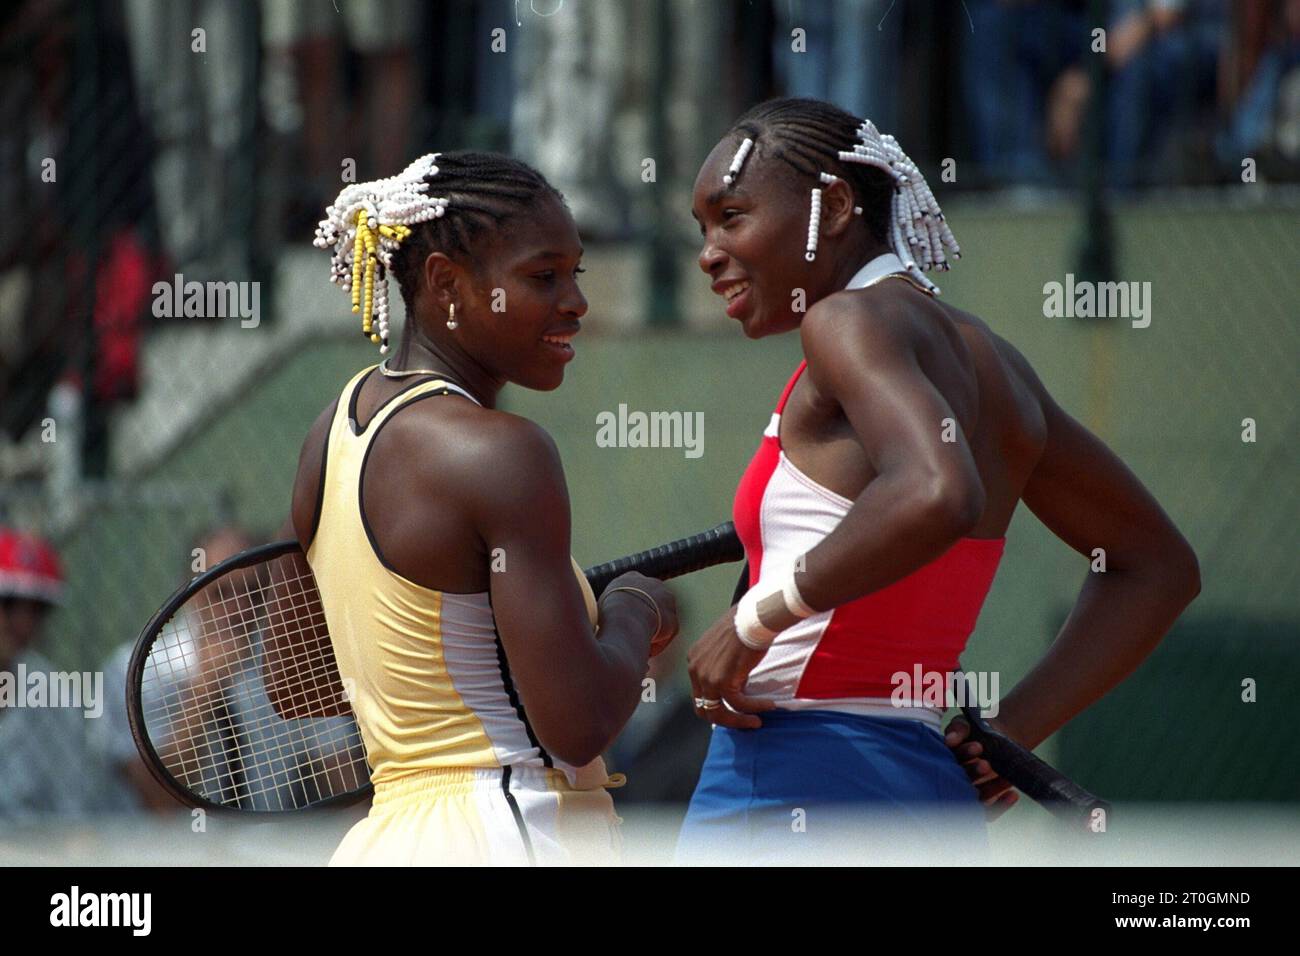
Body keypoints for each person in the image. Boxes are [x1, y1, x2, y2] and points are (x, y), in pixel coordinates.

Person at [679, 98, 1201, 863]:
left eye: (731, 216)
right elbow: (1157, 569)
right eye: (702, 229)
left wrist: (752, 620)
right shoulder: (996, 365)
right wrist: (1008, 732)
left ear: (838, 203)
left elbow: (935, 490)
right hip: (928, 795)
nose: (709, 252)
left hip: (791, 783)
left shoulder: (844, 323)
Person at [287, 152, 679, 865]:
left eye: (575, 273)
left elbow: (295, 679)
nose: (575, 302)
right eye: (542, 276)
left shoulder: (328, 431)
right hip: (506, 831)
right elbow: (579, 725)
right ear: (446, 283)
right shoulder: (504, 452)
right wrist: (632, 610)